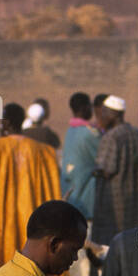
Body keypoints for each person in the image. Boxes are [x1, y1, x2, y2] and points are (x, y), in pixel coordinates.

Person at [0, 103, 65, 276]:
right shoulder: (43, 151)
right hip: (34, 217)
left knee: (3, 260)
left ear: (5, 123)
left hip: (3, 218)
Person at [92, 95, 138, 247]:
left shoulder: (111, 137)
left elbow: (106, 170)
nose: (100, 117)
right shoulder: (137, 134)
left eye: (103, 113)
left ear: (113, 114)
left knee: (111, 249)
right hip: (137, 203)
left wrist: (94, 171)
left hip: (115, 207)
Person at [60, 91, 100, 223]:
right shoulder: (90, 133)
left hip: (70, 197)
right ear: (85, 108)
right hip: (86, 200)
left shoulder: (69, 131)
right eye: (90, 106)